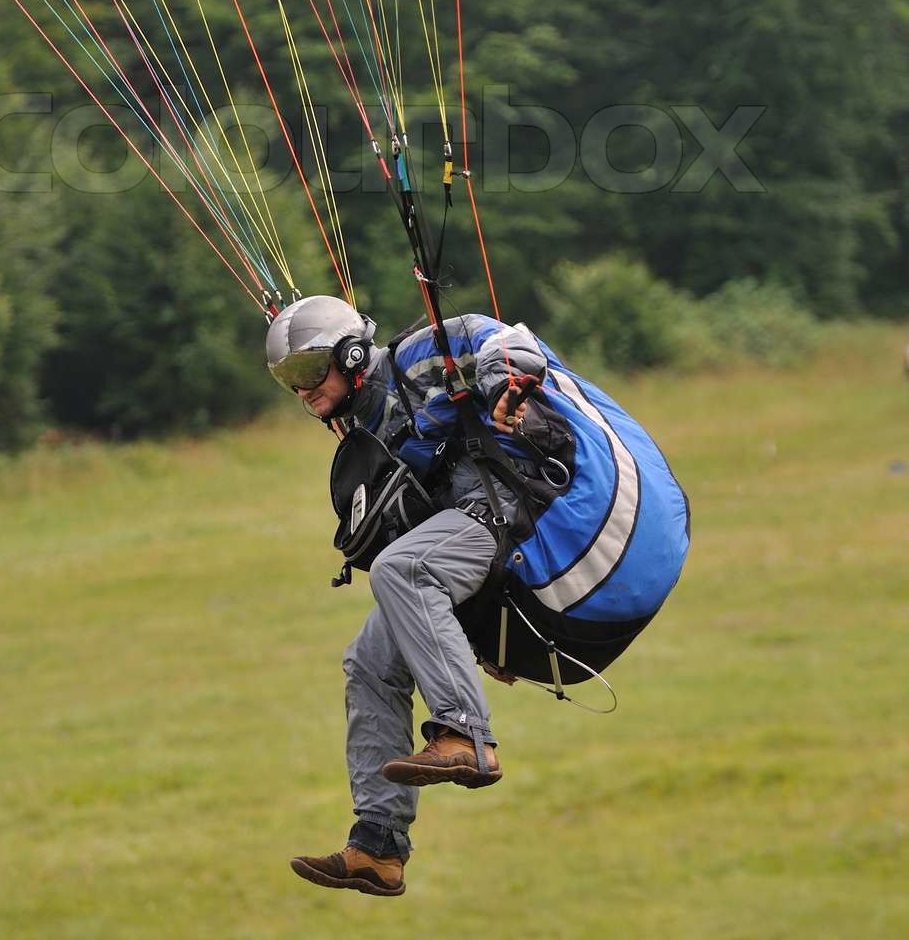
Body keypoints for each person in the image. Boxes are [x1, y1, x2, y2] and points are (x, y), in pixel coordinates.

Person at [266, 293, 689, 899]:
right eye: (289, 380)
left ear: (351, 353)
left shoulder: (417, 356)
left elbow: (503, 341)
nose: (302, 391)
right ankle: (379, 846)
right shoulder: (371, 432)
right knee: (369, 661)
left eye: (309, 371)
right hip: (478, 550)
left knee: (400, 570)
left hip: (517, 515)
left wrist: (504, 389)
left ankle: (464, 737)